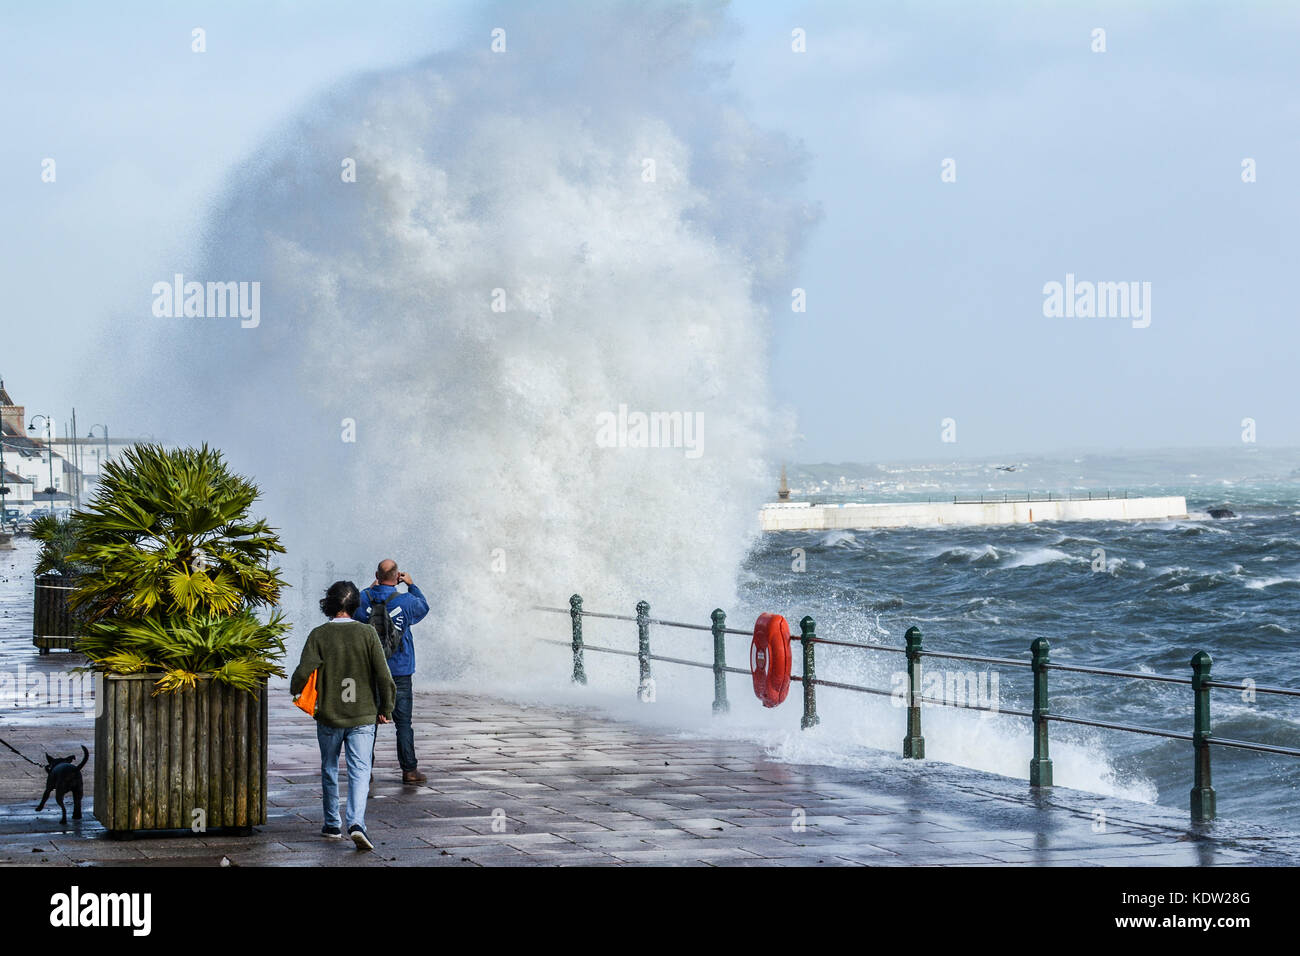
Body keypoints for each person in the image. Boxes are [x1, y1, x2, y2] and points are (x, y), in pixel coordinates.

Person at [291, 580, 396, 850]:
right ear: (355, 605)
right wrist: (386, 708)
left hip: (330, 714)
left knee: (329, 767)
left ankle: (331, 824)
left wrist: (295, 690)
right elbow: (384, 676)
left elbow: (303, 671)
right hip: (362, 715)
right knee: (360, 770)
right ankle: (356, 823)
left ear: (329, 604)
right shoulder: (368, 633)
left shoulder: (319, 634)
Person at [354, 559, 430, 784]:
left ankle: (365, 771)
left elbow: (354, 614)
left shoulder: (363, 598)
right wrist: (412, 585)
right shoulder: (406, 601)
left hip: (371, 669)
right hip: (400, 669)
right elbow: (423, 607)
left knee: (368, 724)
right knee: (403, 723)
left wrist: (371, 589)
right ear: (398, 577)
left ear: (376, 575)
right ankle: (409, 771)